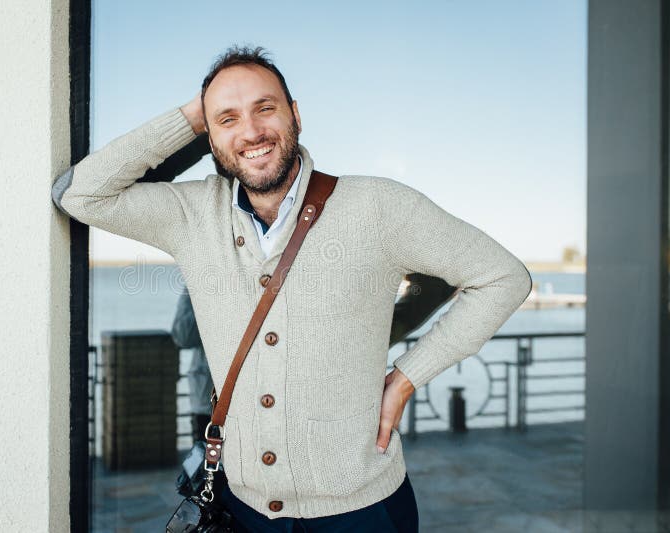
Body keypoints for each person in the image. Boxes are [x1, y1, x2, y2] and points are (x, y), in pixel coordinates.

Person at [52, 45, 532, 531]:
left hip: (363, 510)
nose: (252, 131)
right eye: (228, 119)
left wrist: (407, 376)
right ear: (209, 137)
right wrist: (194, 114)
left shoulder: (379, 206)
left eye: (265, 108)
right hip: (241, 508)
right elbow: (80, 193)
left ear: (295, 114)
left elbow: (503, 276)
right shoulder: (189, 215)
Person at [170, 281, 214, 441]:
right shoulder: (199, 281)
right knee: (207, 460)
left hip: (248, 397)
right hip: (208, 402)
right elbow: (183, 336)